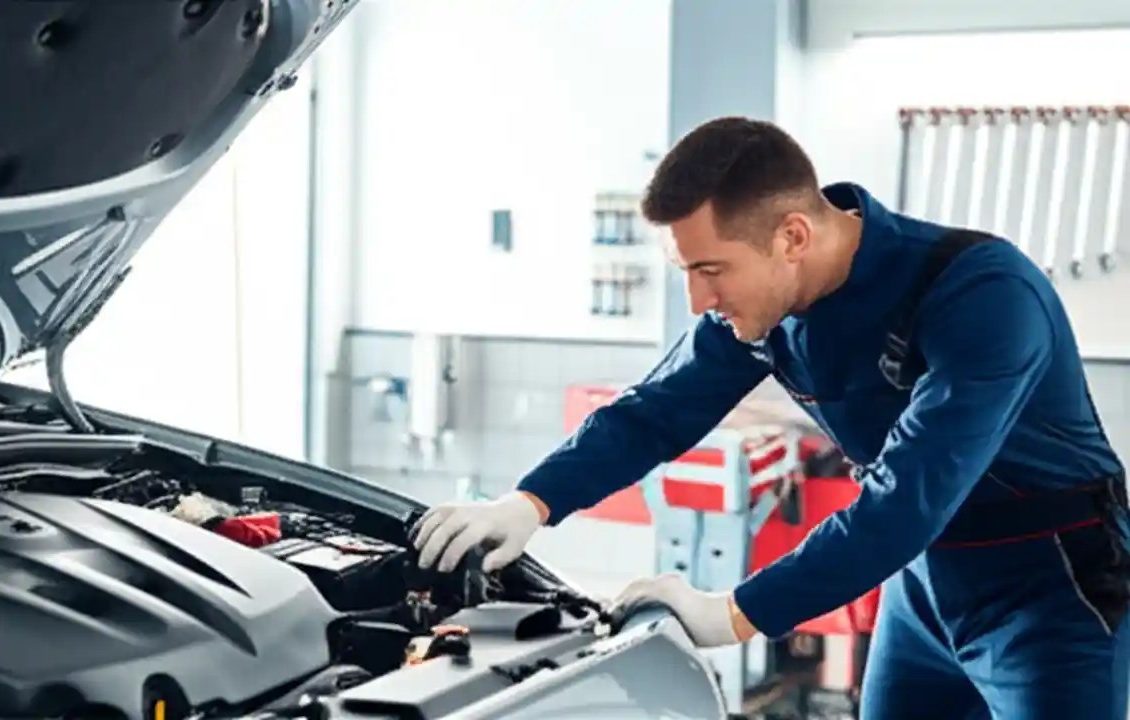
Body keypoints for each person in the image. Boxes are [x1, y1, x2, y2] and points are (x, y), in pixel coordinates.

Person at [411, 116, 1130, 718]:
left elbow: (905, 502)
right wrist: (531, 501)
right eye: (686, 272)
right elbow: (655, 412)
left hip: (1051, 589)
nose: (697, 302)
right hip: (925, 585)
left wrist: (733, 613)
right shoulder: (764, 310)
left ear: (791, 236)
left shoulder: (983, 295)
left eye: (711, 271)